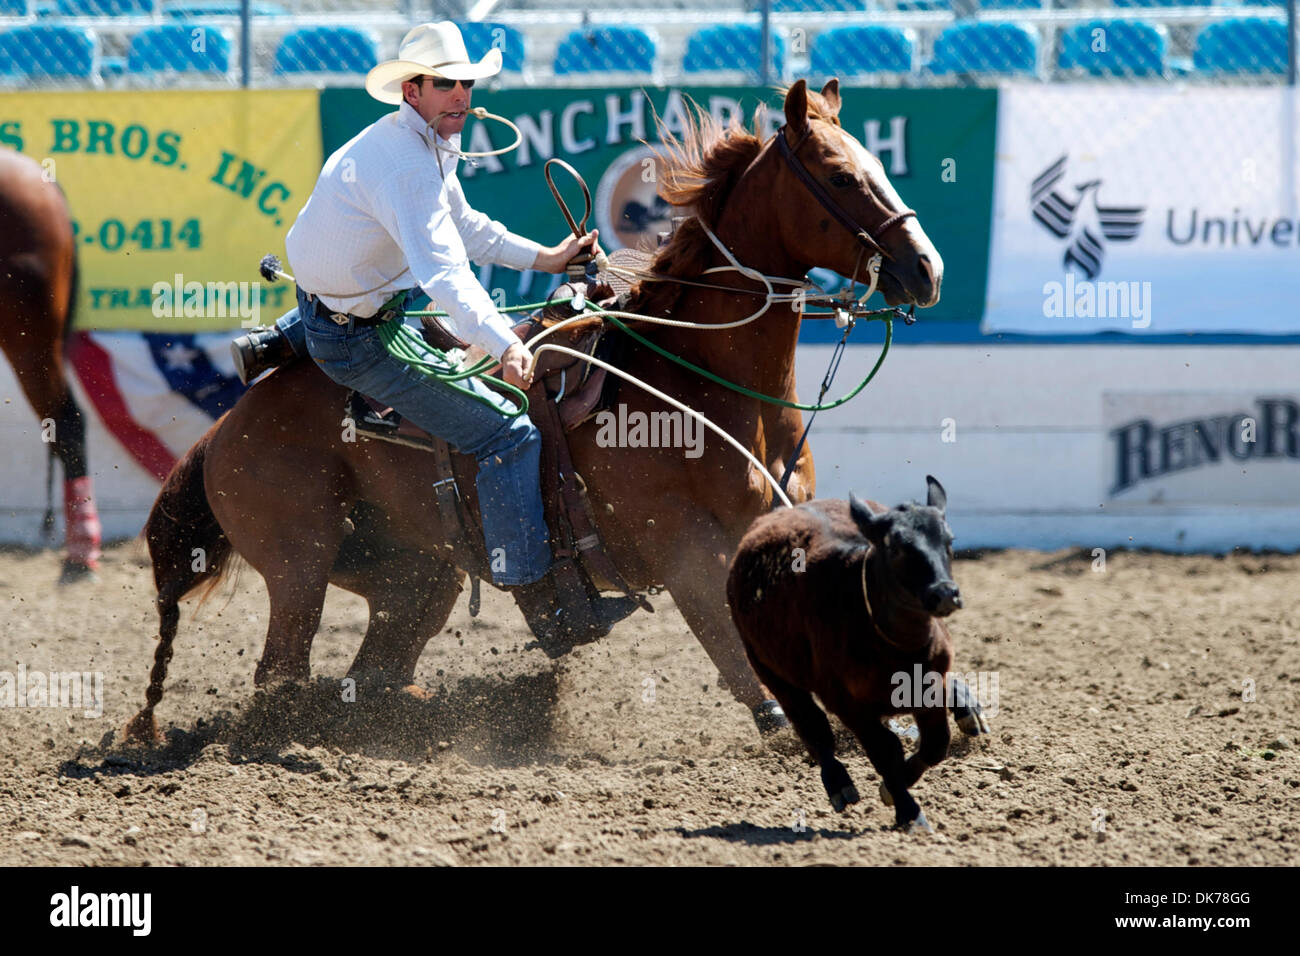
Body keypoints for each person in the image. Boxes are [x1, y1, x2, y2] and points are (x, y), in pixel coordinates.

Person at [234, 21, 636, 652]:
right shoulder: (405, 164)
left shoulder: (421, 144)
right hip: (357, 339)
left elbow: (466, 227)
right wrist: (507, 342)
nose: (461, 95)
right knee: (507, 432)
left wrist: (548, 259)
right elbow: (444, 272)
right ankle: (543, 605)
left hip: (354, 313)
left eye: (466, 83)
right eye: (446, 83)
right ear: (413, 88)